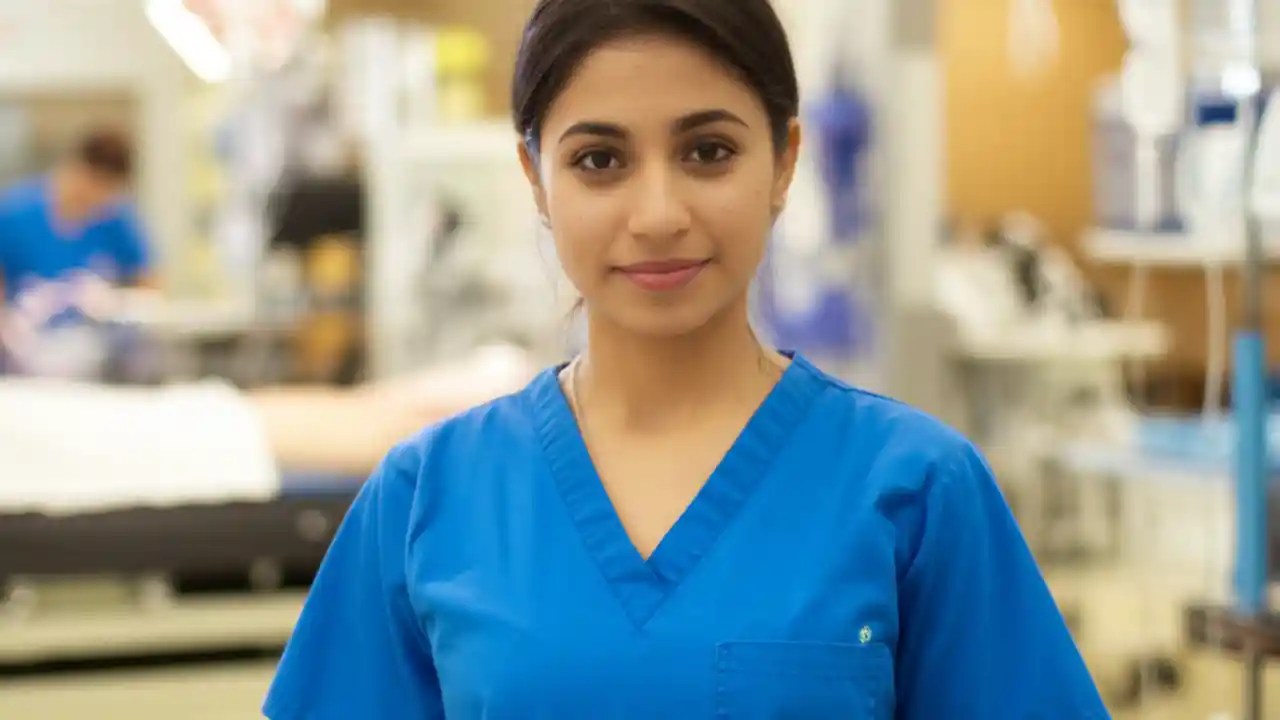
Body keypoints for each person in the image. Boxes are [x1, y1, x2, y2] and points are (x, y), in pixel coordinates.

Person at [264, 1, 1109, 718]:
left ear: (784, 161)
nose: (659, 213)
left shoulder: (916, 489)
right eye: (600, 161)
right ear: (536, 178)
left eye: (708, 151)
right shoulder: (428, 498)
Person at [0, 128, 154, 309]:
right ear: (73, 166)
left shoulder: (117, 220)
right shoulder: (13, 215)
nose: (97, 197)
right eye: (93, 182)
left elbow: (148, 285)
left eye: (108, 190)